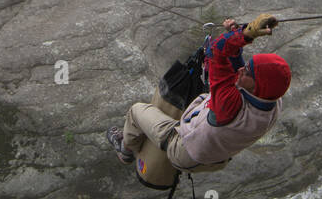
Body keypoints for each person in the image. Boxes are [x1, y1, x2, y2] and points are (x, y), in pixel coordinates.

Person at [107, 14, 291, 178]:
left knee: (136, 111)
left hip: (183, 150)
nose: (242, 70)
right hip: (215, 156)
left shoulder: (229, 106)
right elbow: (236, 68)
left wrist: (245, 34)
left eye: (248, 71)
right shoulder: (272, 100)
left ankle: (126, 149)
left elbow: (216, 52)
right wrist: (236, 37)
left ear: (258, 85)